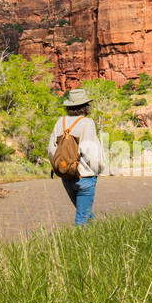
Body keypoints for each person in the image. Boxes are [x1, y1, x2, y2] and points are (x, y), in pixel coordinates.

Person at [48, 88, 106, 225]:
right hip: (85, 176)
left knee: (84, 212)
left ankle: (99, 233)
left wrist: (59, 168)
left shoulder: (59, 122)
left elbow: (51, 150)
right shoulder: (87, 123)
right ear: (85, 106)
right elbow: (89, 151)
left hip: (66, 175)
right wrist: (98, 169)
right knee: (82, 217)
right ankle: (80, 245)